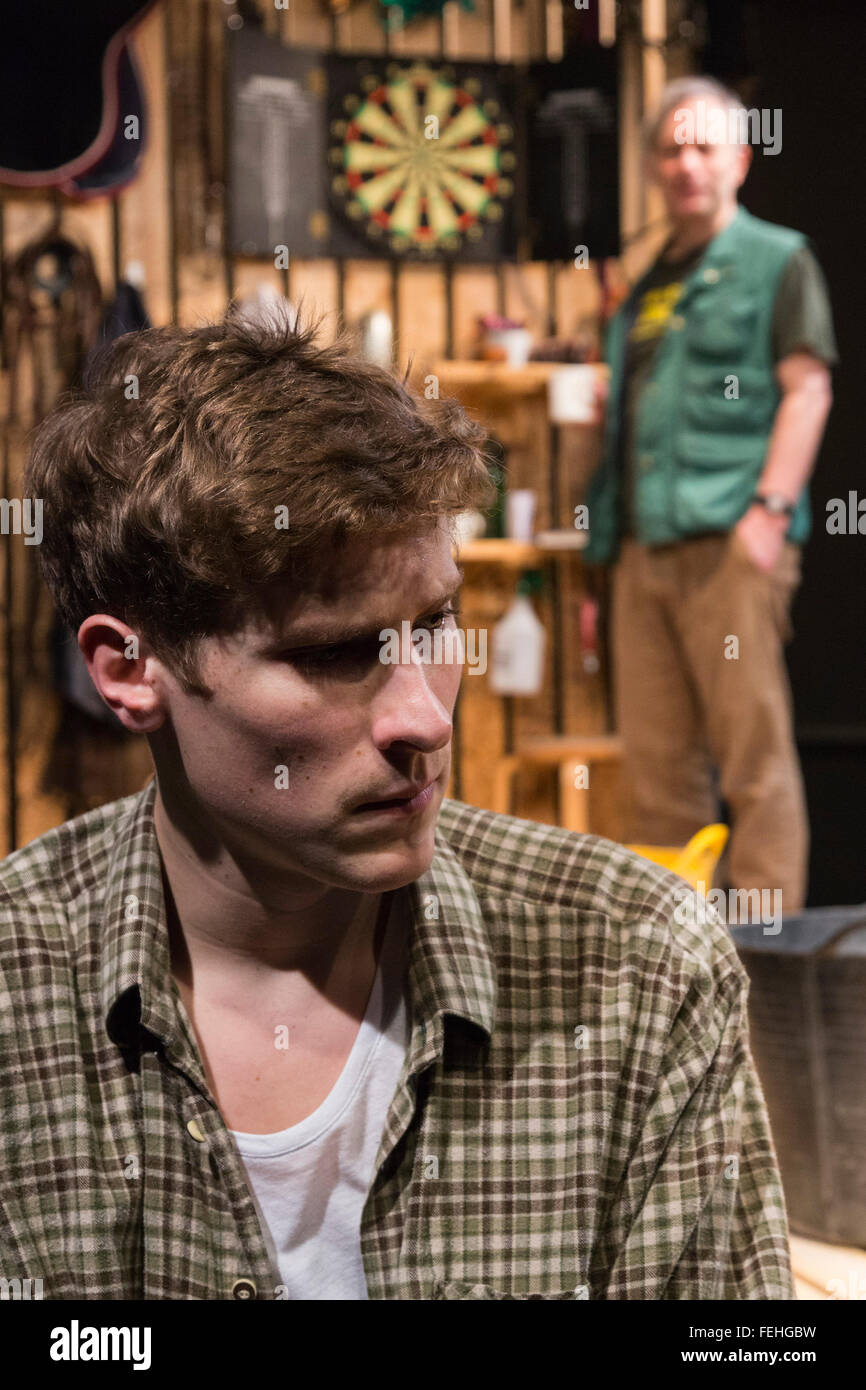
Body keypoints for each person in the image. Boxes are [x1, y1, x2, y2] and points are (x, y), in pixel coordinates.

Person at [2, 306, 795, 1299]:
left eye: (437, 623)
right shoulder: (19, 987)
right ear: (129, 668)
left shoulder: (633, 965)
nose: (425, 718)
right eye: (335, 653)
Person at [584, 77, 837, 915]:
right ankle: (684, 958)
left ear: (740, 158)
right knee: (657, 771)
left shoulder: (777, 259)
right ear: (653, 167)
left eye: (703, 146)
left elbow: (808, 389)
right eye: (670, 149)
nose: (686, 164)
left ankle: (773, 960)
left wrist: (769, 512)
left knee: (753, 761)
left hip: (730, 539)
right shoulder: (645, 283)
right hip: (640, 549)